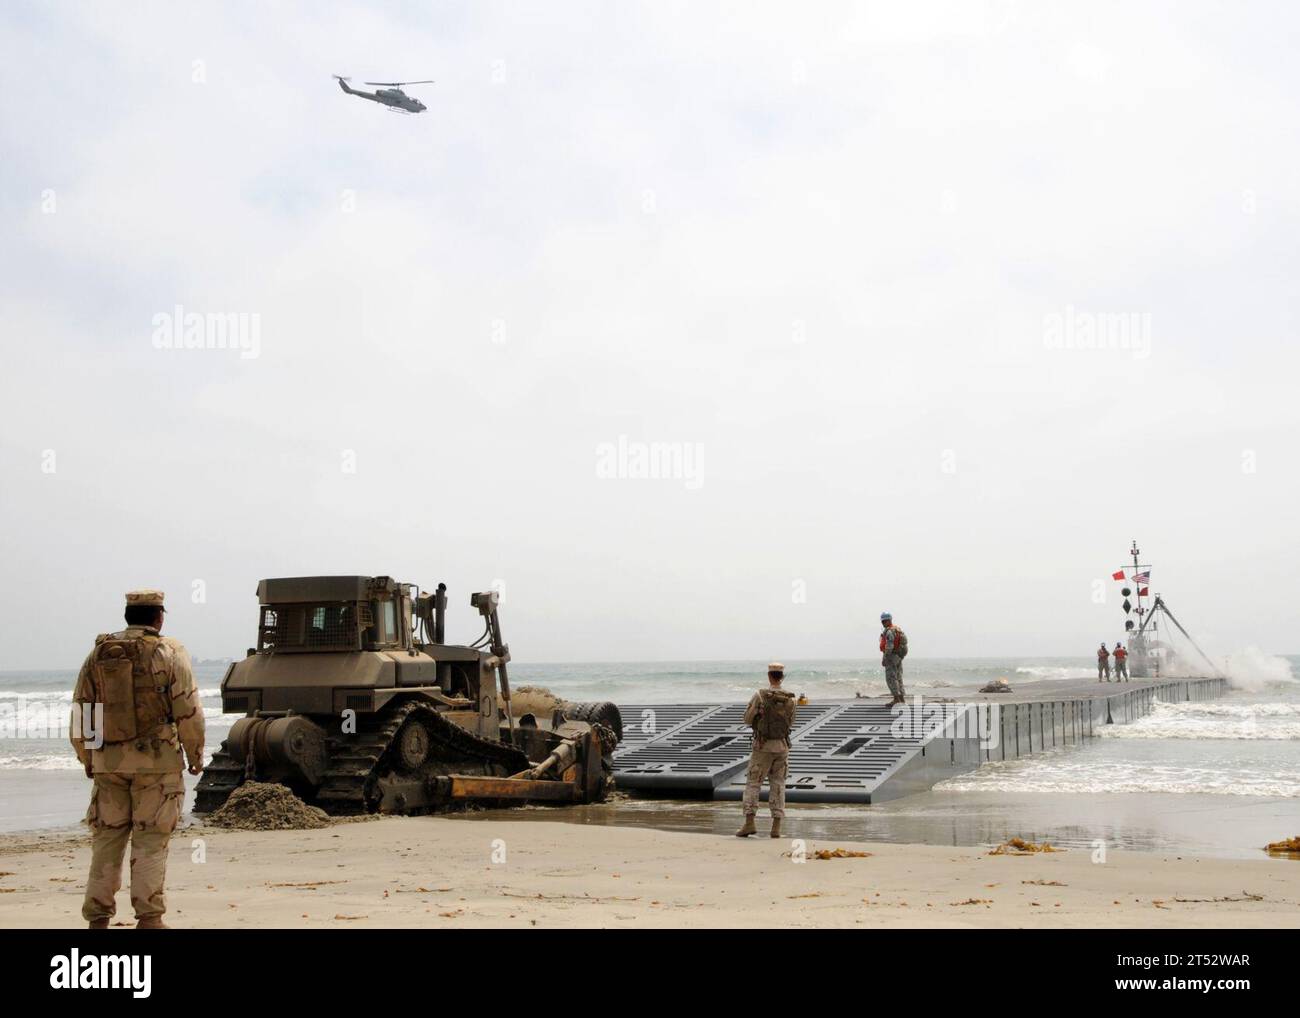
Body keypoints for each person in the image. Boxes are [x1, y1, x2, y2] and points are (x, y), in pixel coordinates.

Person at [71, 590, 205, 929]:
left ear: (128, 615)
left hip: (108, 763)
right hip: (157, 765)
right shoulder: (170, 651)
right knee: (150, 839)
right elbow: (188, 710)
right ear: (159, 617)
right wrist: (195, 754)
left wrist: (88, 757)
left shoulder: (98, 654)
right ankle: (149, 918)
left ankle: (98, 919)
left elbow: (81, 712)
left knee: (107, 840)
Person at [736, 662, 796, 839]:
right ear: (782, 676)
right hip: (782, 746)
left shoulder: (760, 695)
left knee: (754, 783)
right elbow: (791, 722)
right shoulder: (791, 698)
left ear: (769, 675)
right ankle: (776, 827)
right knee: (778, 784)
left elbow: (747, 719)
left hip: (762, 746)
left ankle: (749, 823)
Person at [880, 612, 908, 703]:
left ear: (889, 620)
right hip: (898, 656)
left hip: (891, 657)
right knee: (898, 677)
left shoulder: (889, 632)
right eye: (882, 621)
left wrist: (885, 658)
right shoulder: (898, 629)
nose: (883, 623)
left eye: (885, 621)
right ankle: (901, 698)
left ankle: (896, 698)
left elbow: (889, 646)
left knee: (891, 678)